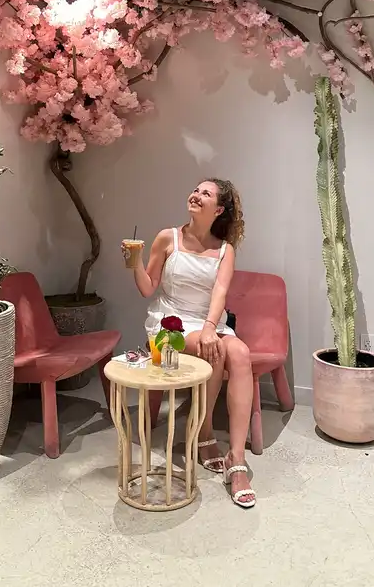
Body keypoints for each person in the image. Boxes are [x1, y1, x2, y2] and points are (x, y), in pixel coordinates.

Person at [123, 178, 256, 508]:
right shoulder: (167, 238)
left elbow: (220, 293)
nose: (196, 195)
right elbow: (147, 288)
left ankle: (237, 459)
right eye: (196, 190)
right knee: (216, 348)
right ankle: (203, 434)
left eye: (205, 194)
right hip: (170, 323)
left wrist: (211, 326)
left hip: (208, 321)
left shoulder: (225, 250)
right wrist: (134, 263)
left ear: (219, 210)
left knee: (240, 353)